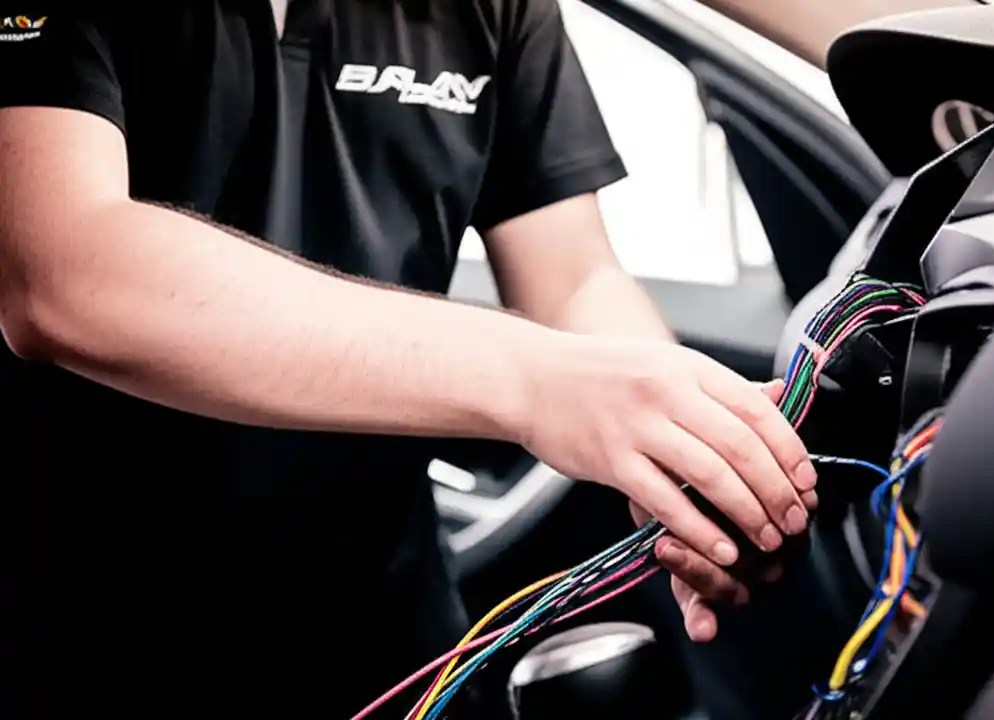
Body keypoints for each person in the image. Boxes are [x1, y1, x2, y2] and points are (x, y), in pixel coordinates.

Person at [0, 2, 817, 718]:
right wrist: (533, 379)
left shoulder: (490, 9)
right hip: (81, 618)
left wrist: (686, 443)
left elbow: (574, 276)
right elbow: (66, 272)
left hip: (389, 627)